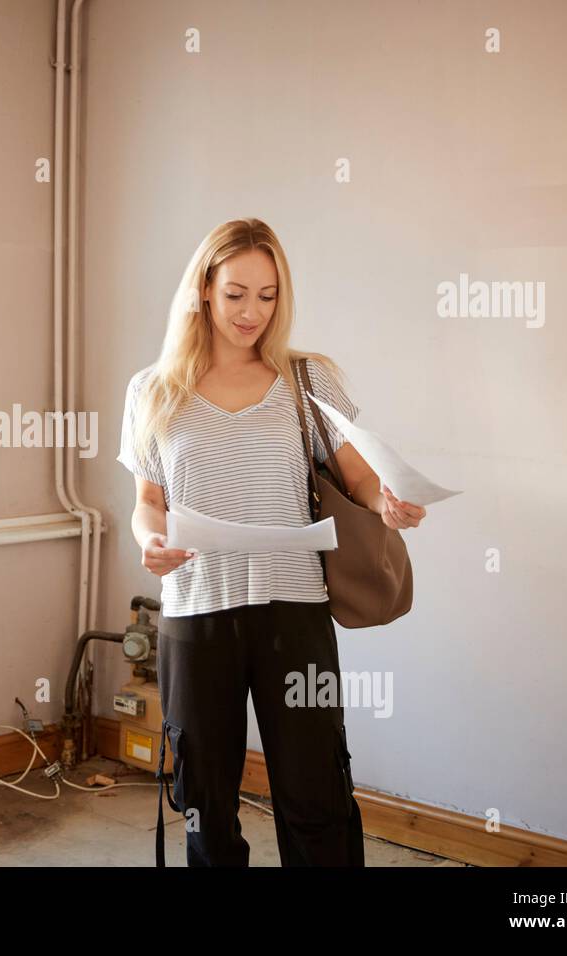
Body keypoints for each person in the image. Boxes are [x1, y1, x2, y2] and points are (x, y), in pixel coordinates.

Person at [117, 217, 427, 867]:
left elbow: (359, 476)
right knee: (203, 795)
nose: (251, 312)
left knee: (316, 788)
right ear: (204, 289)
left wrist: (384, 502)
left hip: (295, 612)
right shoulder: (154, 389)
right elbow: (149, 502)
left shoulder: (306, 381)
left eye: (267, 295)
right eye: (236, 294)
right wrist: (151, 542)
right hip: (196, 615)